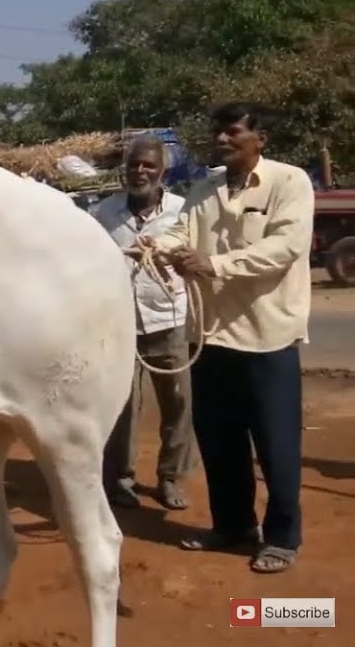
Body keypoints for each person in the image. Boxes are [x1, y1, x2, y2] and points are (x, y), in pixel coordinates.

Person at [139, 102, 314, 574]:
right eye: (218, 131)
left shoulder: (290, 182)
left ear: (261, 139)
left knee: (276, 447)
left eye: (232, 131)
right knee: (219, 443)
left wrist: (212, 264)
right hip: (211, 338)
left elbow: (285, 248)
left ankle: (282, 537)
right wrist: (157, 248)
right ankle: (234, 526)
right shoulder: (204, 189)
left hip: (267, 338)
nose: (221, 139)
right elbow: (180, 233)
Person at [90, 135, 196, 511]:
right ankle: (119, 479)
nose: (140, 171)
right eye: (134, 165)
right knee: (120, 407)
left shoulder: (183, 211)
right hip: (119, 324)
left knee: (179, 404)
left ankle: (171, 478)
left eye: (148, 165)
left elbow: (195, 257)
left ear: (162, 171)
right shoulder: (103, 213)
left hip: (169, 320)